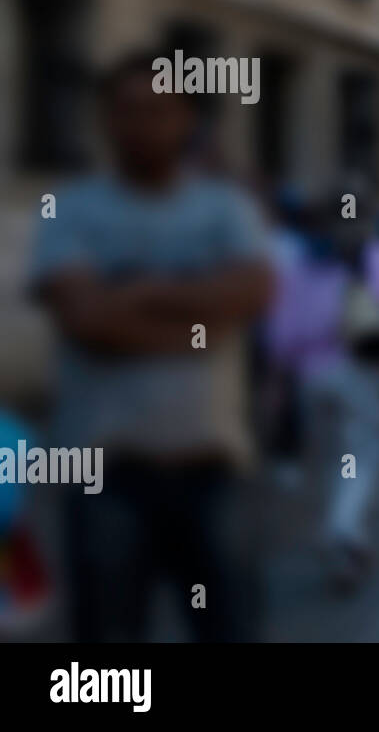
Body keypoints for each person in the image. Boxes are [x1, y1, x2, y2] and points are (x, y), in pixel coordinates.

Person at [29, 52, 272, 641]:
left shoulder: (225, 209)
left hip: (213, 470)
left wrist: (134, 291)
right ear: (107, 120)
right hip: (107, 475)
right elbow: (85, 319)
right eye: (129, 110)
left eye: (159, 109)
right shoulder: (72, 209)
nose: (144, 123)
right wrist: (196, 315)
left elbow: (251, 291)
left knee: (232, 631)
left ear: (187, 117)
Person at [264, 189, 379, 591]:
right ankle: (343, 530)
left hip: (310, 376)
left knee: (330, 456)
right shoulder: (367, 252)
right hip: (358, 369)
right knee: (363, 454)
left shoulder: (302, 259)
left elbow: (282, 330)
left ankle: (343, 539)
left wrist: (279, 377)